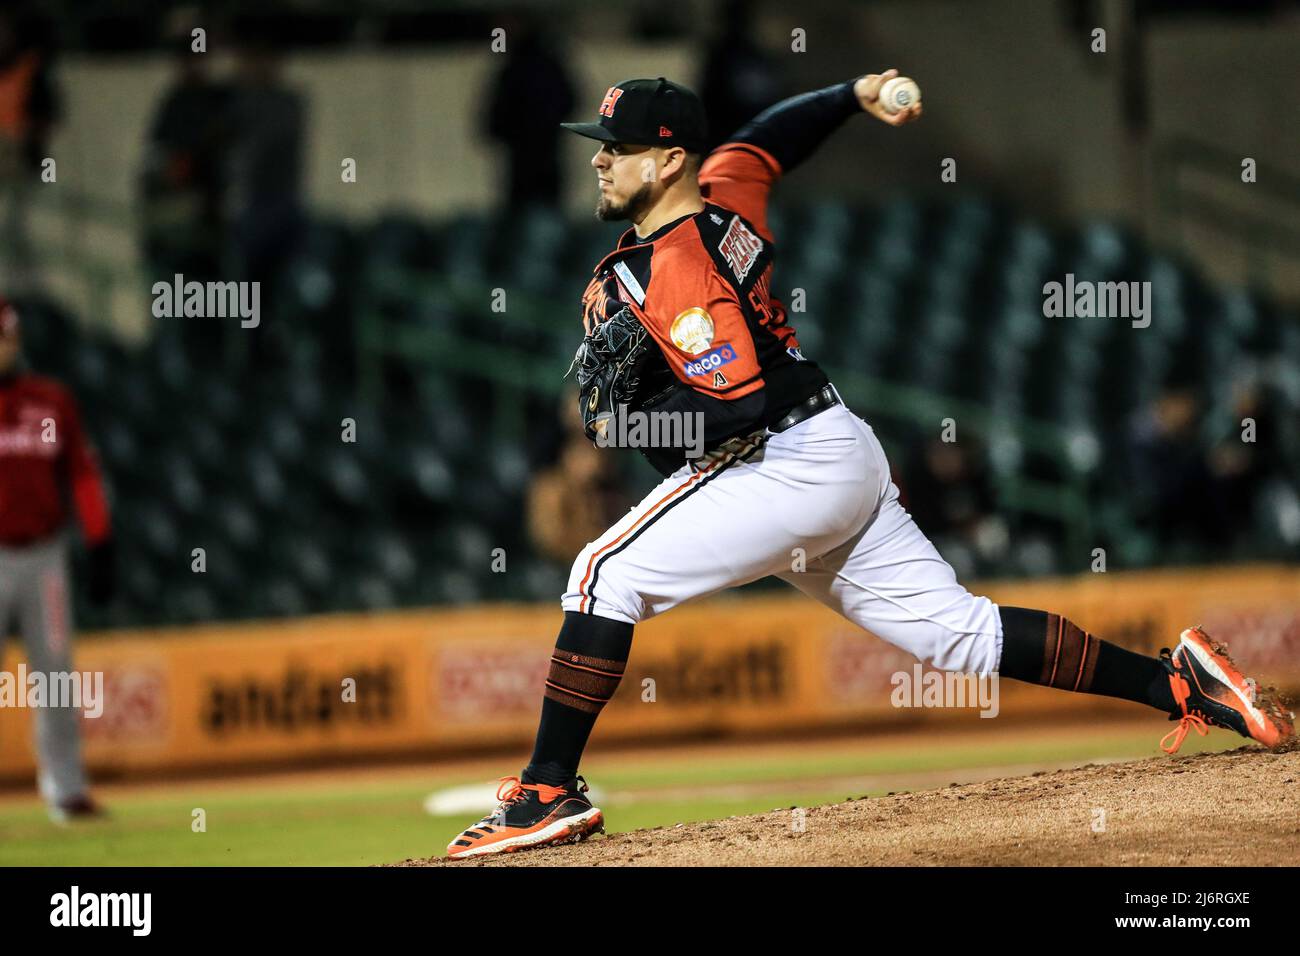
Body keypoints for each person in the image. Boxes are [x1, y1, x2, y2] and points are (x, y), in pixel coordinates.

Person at [444, 72, 1294, 859]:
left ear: (667, 159)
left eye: (616, 148)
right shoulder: (721, 196)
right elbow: (769, 141)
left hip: (779, 460)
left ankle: (549, 792)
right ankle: (1178, 684)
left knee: (601, 573)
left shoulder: (678, 268)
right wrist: (857, 91)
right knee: (957, 635)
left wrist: (626, 419)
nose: (597, 160)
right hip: (837, 447)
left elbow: (735, 405)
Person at [0, 297, 114, 822]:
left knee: (56, 677)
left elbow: (82, 475)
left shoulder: (51, 401)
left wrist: (100, 539)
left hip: (45, 553)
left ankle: (65, 788)